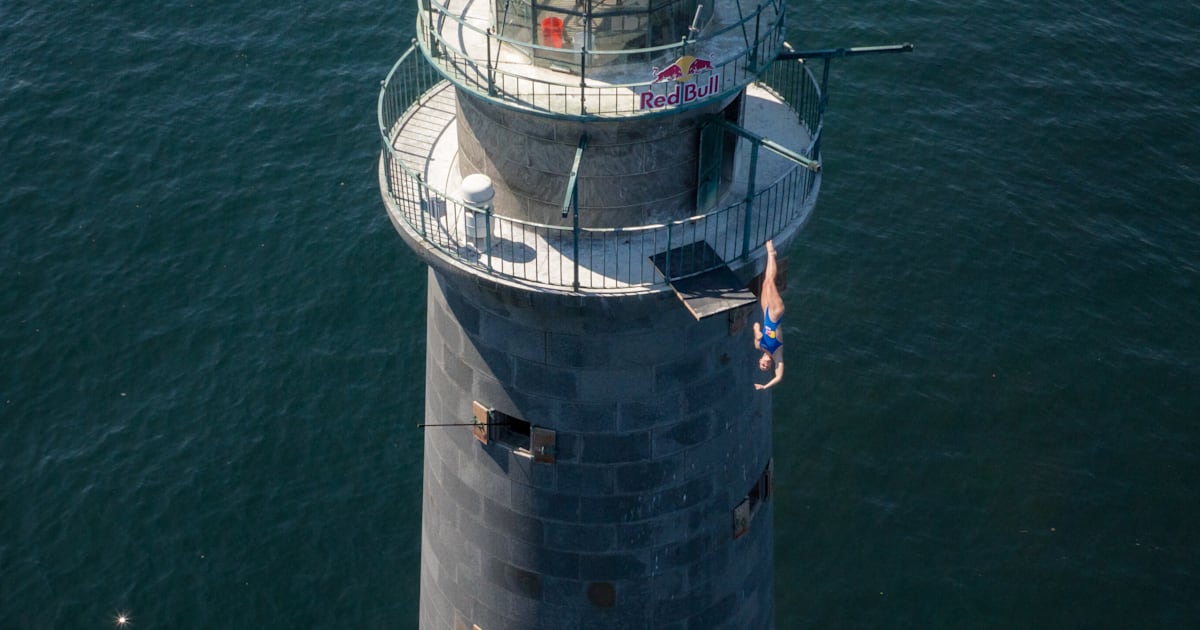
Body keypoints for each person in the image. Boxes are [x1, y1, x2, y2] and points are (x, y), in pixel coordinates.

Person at [753, 240, 785, 390]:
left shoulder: (759, 346)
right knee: (770, 282)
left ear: (760, 361)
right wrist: (765, 386)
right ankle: (771, 253)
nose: (765, 364)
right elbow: (779, 377)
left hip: (766, 314)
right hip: (776, 314)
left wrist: (757, 331)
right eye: (766, 367)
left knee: (766, 282)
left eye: (762, 365)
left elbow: (756, 328)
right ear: (770, 364)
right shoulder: (777, 356)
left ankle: (770, 255)